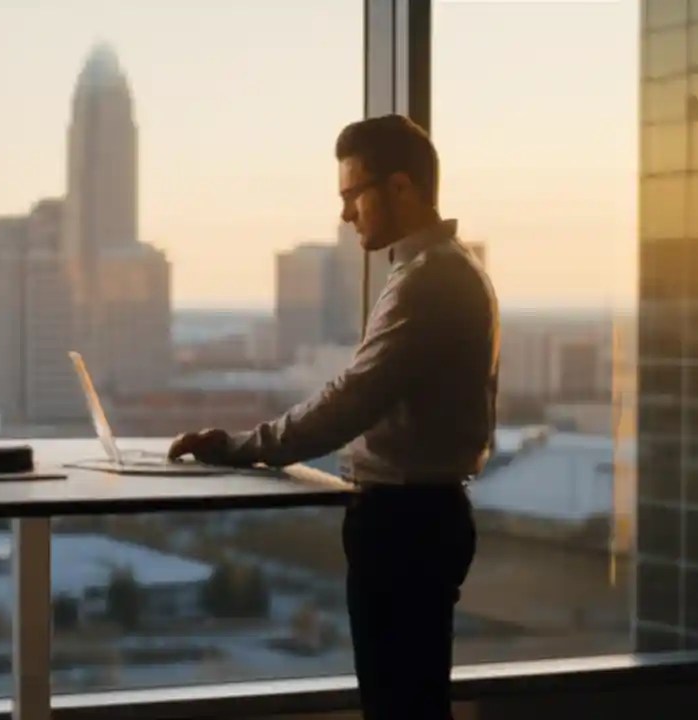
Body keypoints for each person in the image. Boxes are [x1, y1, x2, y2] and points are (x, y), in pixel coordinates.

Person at [167, 114, 499, 720]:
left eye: (354, 195)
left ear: (400, 188)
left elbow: (351, 399)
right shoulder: (438, 270)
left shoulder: (431, 281)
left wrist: (244, 446)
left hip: (407, 526)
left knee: (400, 707)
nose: (347, 215)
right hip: (419, 518)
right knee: (408, 703)